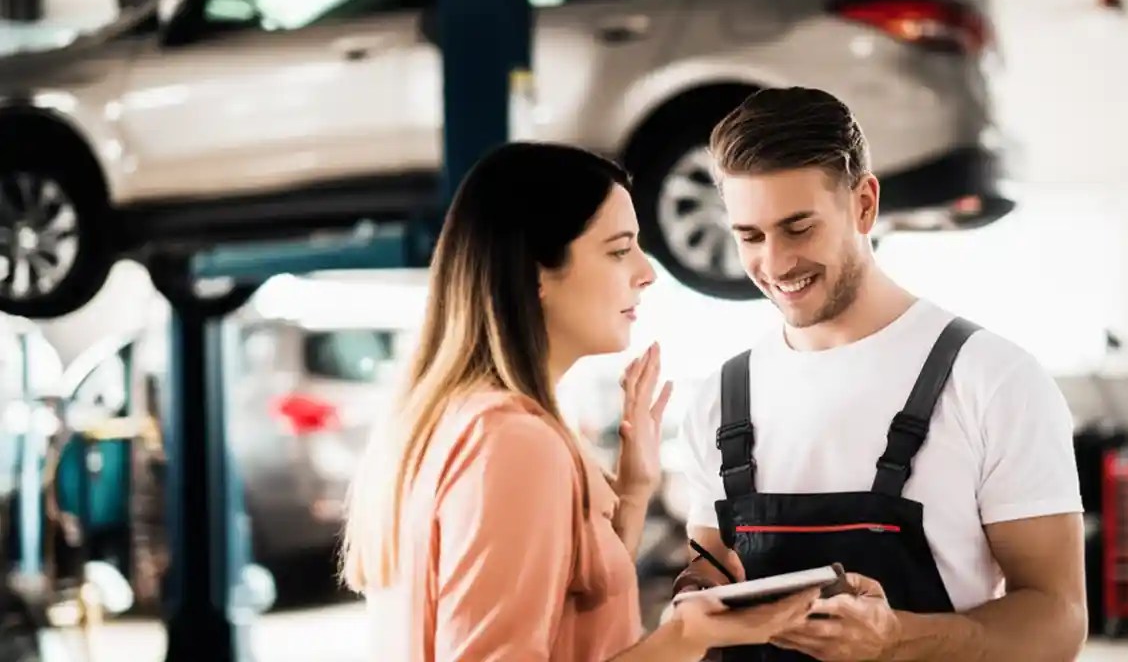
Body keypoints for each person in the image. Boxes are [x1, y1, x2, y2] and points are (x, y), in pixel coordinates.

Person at [339, 142, 819, 662]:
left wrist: (633, 492)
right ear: (536, 272)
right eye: (618, 250)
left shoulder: (456, 420)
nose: (647, 271)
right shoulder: (512, 442)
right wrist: (685, 640)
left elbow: (573, 611)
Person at [672, 88, 1088, 661]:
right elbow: (712, 567)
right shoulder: (721, 400)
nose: (775, 263)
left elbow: (1058, 619)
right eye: (750, 236)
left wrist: (898, 640)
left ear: (864, 203)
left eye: (799, 227)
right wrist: (692, 595)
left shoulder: (993, 379)